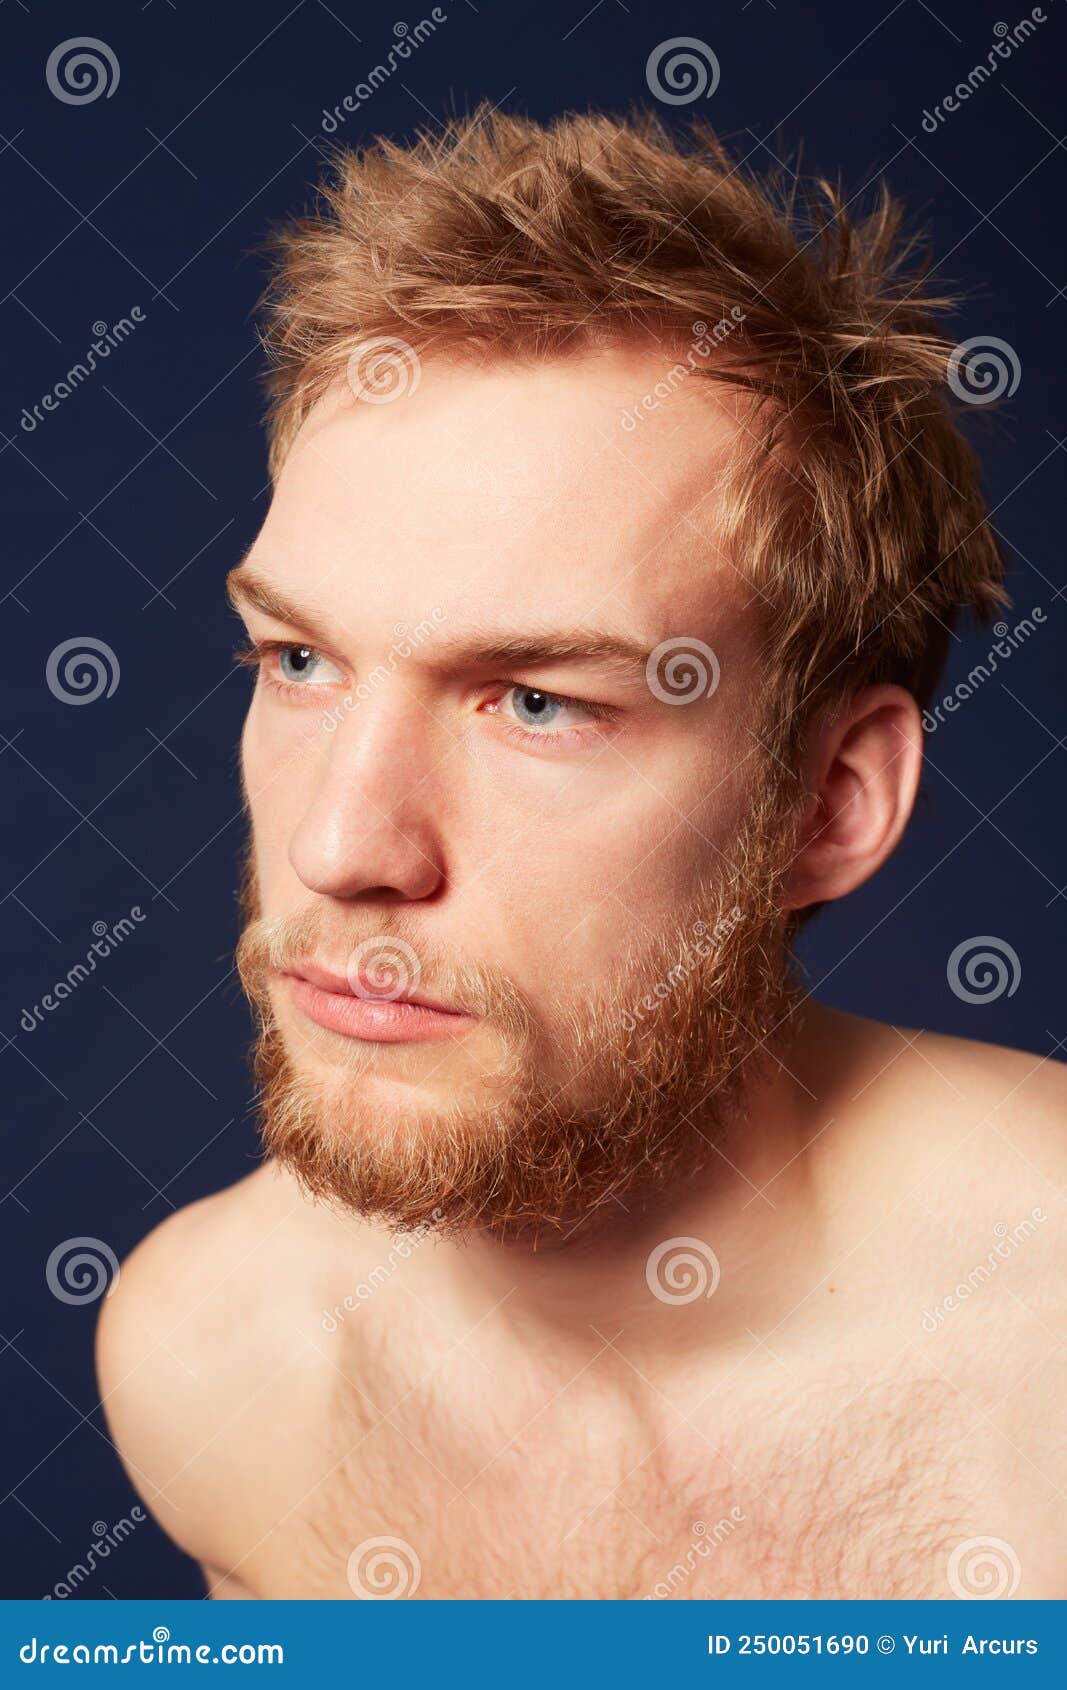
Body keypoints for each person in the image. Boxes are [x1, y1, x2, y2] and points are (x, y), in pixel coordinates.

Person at [96, 107, 1065, 1600]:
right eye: (298, 661)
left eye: (539, 702)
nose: (342, 846)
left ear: (828, 801)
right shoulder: (222, 1366)